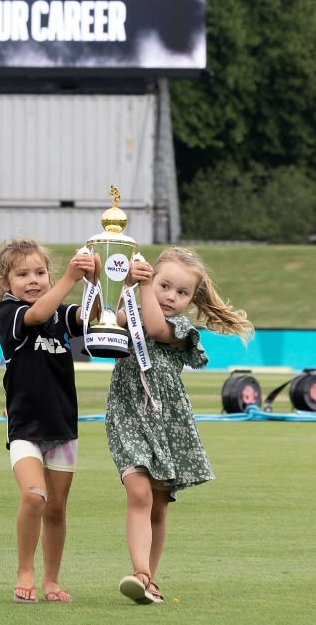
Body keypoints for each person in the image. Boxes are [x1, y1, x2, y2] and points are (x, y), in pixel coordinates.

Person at [105, 246, 251, 605]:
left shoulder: (181, 328)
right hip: (127, 414)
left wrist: (141, 289)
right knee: (138, 491)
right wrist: (112, 283)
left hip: (167, 420)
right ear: (150, 277)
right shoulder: (132, 309)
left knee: (158, 504)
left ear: (191, 299)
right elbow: (103, 321)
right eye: (163, 286)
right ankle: (140, 572)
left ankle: (149, 580)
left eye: (182, 292)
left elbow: (154, 328)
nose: (171, 296)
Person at [0, 239, 96, 603]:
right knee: (34, 496)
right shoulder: (10, 313)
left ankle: (52, 580)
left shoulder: (61, 313)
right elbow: (35, 315)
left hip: (63, 428)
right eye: (22, 274)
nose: (33, 280)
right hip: (25, 429)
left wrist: (97, 281)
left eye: (40, 272)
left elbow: (90, 316)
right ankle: (25, 572)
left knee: (56, 508)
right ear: (6, 283)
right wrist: (69, 278)